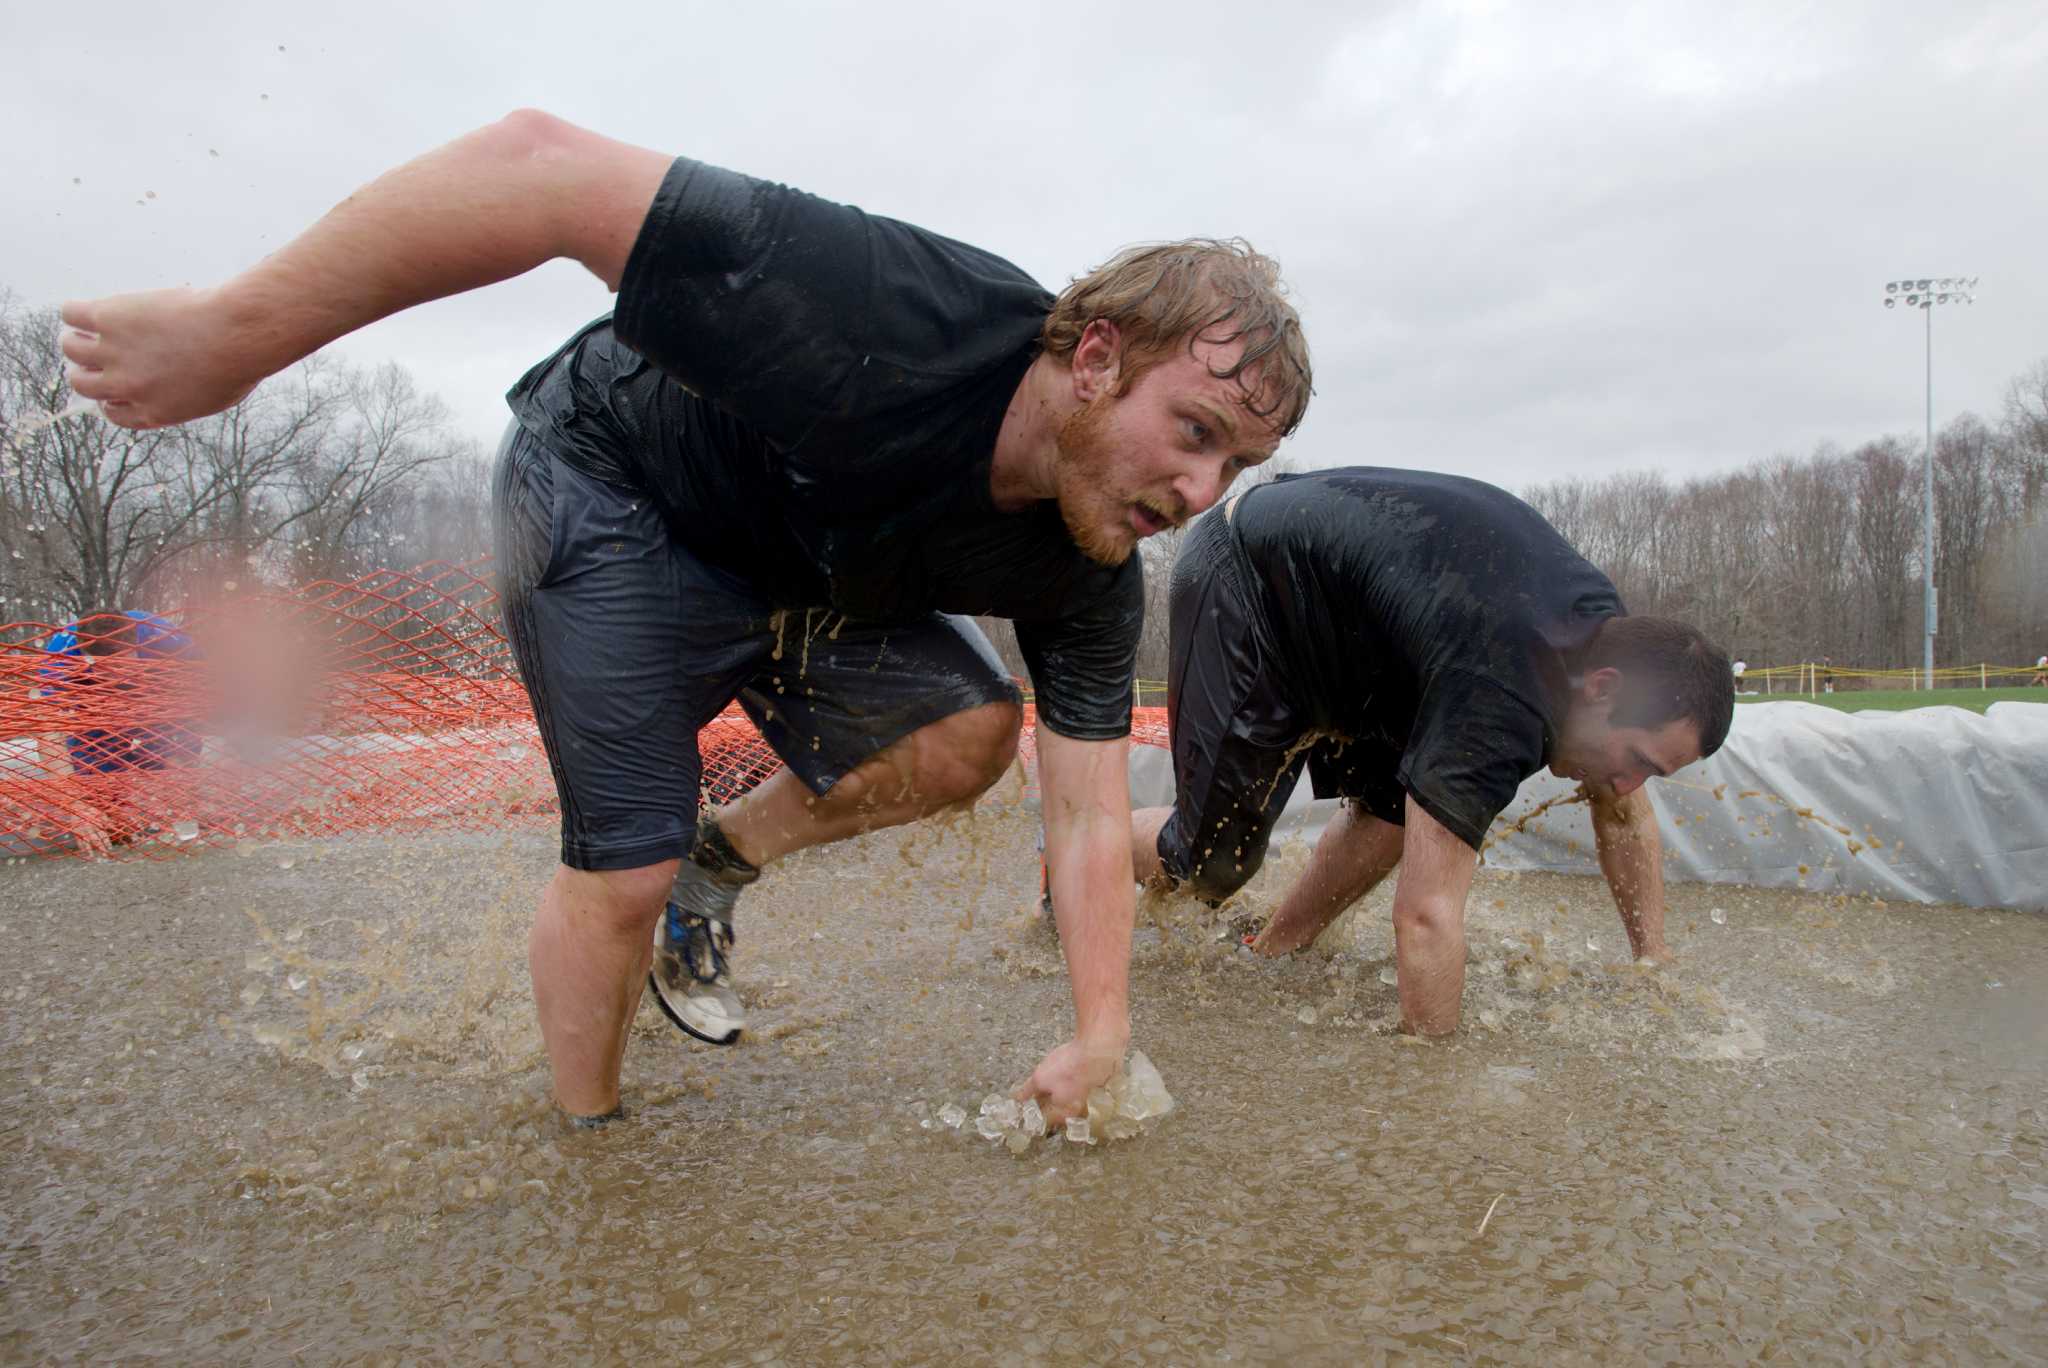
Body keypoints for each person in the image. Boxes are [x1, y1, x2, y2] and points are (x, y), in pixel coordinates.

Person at [60, 112, 1312, 1126]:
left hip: (793, 573)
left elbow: (1092, 814)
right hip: (614, 486)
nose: (1199, 495)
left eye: (1234, 469)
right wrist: (234, 335)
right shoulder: (883, 311)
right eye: (1193, 433)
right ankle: (591, 1145)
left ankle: (718, 870)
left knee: (970, 736)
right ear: (1093, 357)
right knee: (621, 863)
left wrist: (1100, 1037)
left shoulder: (1090, 565)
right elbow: (536, 169)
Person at [1123, 469, 1733, 1037]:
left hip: (1367, 633)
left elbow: (1623, 814)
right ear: (1603, 688)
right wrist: (1439, 1090)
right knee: (1209, 865)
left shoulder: (1604, 653)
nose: (1629, 786)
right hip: (1249, 577)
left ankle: (1274, 949)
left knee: (1400, 809)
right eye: (1641, 763)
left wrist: (1654, 965)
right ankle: (1081, 852)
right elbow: (1425, 916)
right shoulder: (1502, 689)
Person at [37, 610, 203, 847]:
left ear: (136, 644)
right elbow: (49, 733)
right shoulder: (60, 658)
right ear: (85, 657)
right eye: (108, 674)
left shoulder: (167, 640)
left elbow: (191, 704)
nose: (120, 681)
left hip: (157, 703)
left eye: (125, 669)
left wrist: (176, 771)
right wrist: (77, 807)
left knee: (177, 797)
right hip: (94, 713)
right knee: (112, 821)